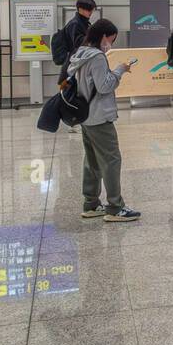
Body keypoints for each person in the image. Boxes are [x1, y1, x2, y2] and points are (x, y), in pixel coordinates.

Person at [66, 19, 141, 222]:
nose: (111, 44)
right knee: (111, 160)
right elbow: (104, 86)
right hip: (99, 116)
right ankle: (115, 207)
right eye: (111, 39)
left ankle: (91, 204)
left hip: (85, 115)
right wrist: (119, 70)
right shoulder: (97, 57)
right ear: (103, 36)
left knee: (92, 161)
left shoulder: (80, 53)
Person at [51, 0, 97, 80]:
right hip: (73, 64)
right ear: (80, 9)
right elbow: (79, 44)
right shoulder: (75, 24)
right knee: (72, 90)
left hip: (77, 63)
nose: (91, 12)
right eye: (89, 9)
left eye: (92, 9)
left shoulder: (83, 23)